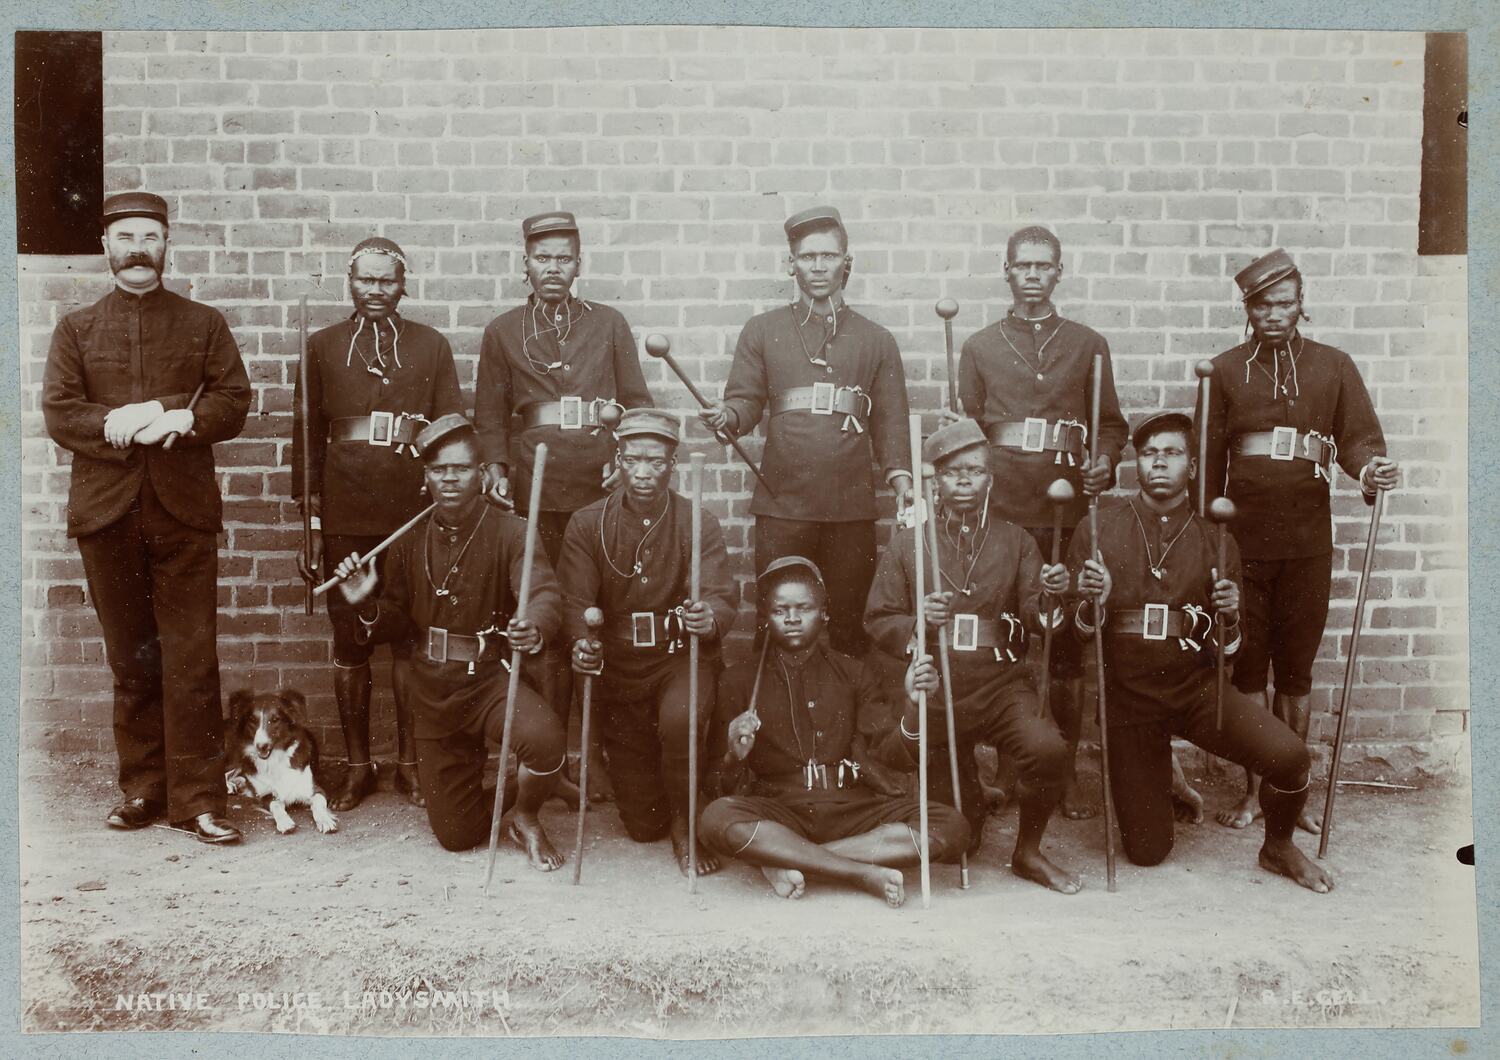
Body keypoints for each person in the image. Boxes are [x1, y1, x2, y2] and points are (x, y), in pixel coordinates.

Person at [43, 191, 252, 843]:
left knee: (191, 656)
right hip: (106, 512)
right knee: (131, 657)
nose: (138, 248)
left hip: (182, 511)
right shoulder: (77, 328)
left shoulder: (203, 323)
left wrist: (187, 418)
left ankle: (198, 799)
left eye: (150, 236)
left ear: (167, 245)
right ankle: (143, 789)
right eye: (125, 236)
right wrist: (112, 423)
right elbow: (58, 409)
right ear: (106, 246)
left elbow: (233, 398)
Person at [1069, 411, 1332, 892]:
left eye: (1171, 454)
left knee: (1291, 757)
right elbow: (1077, 632)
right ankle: (1159, 777)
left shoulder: (1217, 539)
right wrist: (1093, 602)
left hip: (1197, 692)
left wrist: (1230, 616)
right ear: (1136, 466)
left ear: (1191, 466)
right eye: (1149, 454)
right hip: (1130, 700)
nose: (1159, 463)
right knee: (1148, 853)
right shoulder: (1098, 528)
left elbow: (1229, 649)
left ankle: (1278, 846)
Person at [1200, 249, 1399, 832]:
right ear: (1248, 308)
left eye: (1285, 303)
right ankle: (1253, 794)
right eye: (1262, 304)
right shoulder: (1224, 370)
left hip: (1309, 542)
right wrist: (1211, 546)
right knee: (1247, 672)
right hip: (1243, 544)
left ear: (1301, 305)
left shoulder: (1333, 366)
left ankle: (1292, 796)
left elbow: (1359, 440)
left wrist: (1370, 471)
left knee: (1296, 672)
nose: (1274, 313)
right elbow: (1208, 473)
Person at [331, 415, 568, 869]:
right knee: (458, 836)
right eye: (439, 470)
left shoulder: (512, 531)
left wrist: (532, 625)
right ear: (427, 477)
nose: (450, 479)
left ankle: (527, 815)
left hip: (490, 682)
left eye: (460, 469)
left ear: (481, 474)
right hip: (434, 690)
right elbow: (398, 622)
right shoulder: (409, 538)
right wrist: (366, 603)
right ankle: (513, 790)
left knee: (543, 740)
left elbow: (541, 592)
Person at [474, 210, 652, 801]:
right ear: (524, 264)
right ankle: (547, 756)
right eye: (542, 257)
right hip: (537, 489)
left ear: (580, 264)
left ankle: (592, 752)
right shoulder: (503, 331)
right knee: (543, 620)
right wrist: (497, 468)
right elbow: (491, 415)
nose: (553, 268)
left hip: (599, 492)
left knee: (594, 615)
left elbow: (635, 404)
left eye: (564, 258)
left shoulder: (609, 324)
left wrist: (622, 457)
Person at [952, 224, 1129, 820]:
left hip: (1066, 513)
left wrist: (1103, 459)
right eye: (1022, 265)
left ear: (1059, 272)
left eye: (1044, 265)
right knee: (1007, 637)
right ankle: (1008, 767)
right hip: (1002, 512)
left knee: (1067, 642)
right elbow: (966, 435)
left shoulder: (1088, 343)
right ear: (1007, 272)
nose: (1032, 274)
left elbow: (1110, 424)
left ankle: (1065, 771)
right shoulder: (979, 346)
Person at [864, 419, 1079, 893]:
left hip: (1001, 684)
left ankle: (1028, 852)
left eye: (975, 471)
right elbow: (878, 618)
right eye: (952, 472)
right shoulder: (908, 543)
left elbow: (1038, 619)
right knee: (961, 841)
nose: (964, 480)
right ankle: (972, 792)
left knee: (1047, 748)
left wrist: (1049, 599)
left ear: (991, 480)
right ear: (935, 482)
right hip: (938, 689)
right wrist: (919, 623)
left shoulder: (1016, 540)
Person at [292, 236, 463, 812]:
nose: (375, 290)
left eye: (386, 280)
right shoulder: (321, 346)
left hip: (413, 511)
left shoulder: (430, 346)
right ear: (350, 281)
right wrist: (312, 526)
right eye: (365, 279)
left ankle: (410, 765)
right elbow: (307, 443)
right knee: (351, 638)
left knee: (412, 636)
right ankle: (360, 766)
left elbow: (451, 434)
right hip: (344, 513)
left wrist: (444, 511)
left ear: (403, 284)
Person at [699, 205, 912, 657]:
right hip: (783, 503)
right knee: (774, 622)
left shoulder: (877, 339)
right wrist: (729, 419)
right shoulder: (762, 330)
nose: (818, 266)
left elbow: (891, 421)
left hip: (851, 507)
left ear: (846, 263)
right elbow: (745, 400)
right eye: (807, 257)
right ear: (790, 264)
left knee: (852, 623)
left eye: (829, 256)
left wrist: (901, 479)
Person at [701, 557, 970, 907]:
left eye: (804, 608)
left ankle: (790, 860)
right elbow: (717, 784)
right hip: (783, 811)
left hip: (854, 807)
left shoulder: (855, 672)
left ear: (824, 613)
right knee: (716, 819)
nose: (793, 618)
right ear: (766, 618)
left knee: (952, 826)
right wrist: (733, 755)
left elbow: (894, 756)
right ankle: (859, 872)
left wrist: (913, 705)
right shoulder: (739, 680)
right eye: (781, 610)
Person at [558, 409, 739, 875]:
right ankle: (666, 803)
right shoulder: (586, 523)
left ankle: (686, 820)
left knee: (680, 721)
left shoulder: (697, 522)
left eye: (655, 462)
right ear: (617, 459)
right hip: (618, 669)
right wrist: (582, 639)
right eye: (633, 459)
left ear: (672, 463)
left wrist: (709, 616)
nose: (643, 472)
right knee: (641, 824)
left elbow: (721, 594)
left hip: (678, 658)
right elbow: (574, 600)